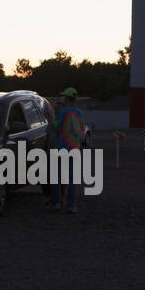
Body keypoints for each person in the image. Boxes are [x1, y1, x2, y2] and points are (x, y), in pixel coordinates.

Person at [47, 86, 86, 214]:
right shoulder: (80, 113)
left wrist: (50, 117)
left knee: (56, 177)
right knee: (72, 178)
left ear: (66, 98)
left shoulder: (63, 112)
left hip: (62, 148)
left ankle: (57, 203)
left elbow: (56, 128)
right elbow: (81, 131)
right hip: (75, 148)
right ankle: (71, 205)